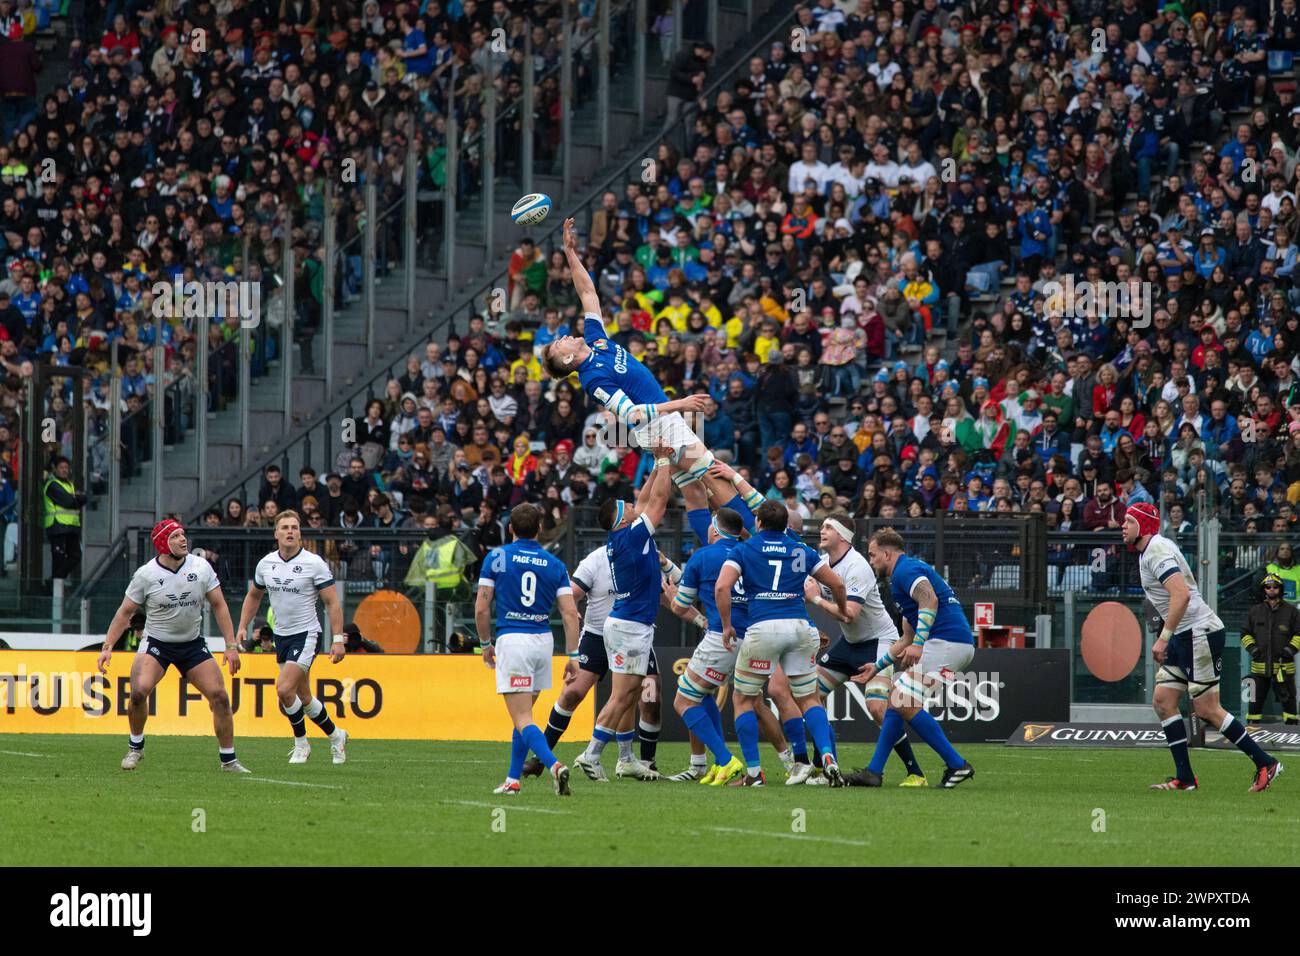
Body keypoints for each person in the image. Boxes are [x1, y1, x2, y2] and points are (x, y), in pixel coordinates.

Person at [541, 219, 724, 494]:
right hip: (658, 422)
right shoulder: (592, 379)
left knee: (696, 491)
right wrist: (681, 403)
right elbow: (631, 415)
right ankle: (760, 530)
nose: (564, 337)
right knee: (714, 476)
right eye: (559, 345)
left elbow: (587, 292)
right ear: (567, 361)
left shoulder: (595, 339)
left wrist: (570, 253)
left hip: (662, 418)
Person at [1122, 502, 1281, 791]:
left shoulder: (1156, 549)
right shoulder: (1151, 550)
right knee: (1163, 700)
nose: (1123, 526)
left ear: (1143, 525)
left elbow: (1180, 596)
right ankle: (1185, 778)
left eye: (1129, 521)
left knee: (1207, 708)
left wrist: (1162, 637)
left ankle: (1265, 762)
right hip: (1186, 634)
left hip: (1198, 632)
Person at [96, 520, 248, 773]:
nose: (183, 539)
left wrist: (231, 646)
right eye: (175, 536)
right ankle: (136, 747)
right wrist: (107, 646)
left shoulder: (201, 567)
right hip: (157, 644)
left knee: (220, 697)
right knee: (138, 692)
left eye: (183, 534)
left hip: (192, 644)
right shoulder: (146, 574)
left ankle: (229, 760)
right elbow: (125, 613)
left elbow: (220, 605)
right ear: (162, 544)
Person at [715, 499, 848, 787]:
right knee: (809, 699)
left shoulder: (744, 548)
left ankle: (753, 774)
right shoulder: (801, 549)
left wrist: (726, 626)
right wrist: (842, 610)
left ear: (758, 523)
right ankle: (826, 755)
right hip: (800, 627)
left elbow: (722, 586)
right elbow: (837, 584)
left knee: (743, 699)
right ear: (786, 525)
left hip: (764, 627)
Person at [521, 540, 673, 780]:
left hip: (633, 637)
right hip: (597, 636)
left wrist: (675, 589)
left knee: (649, 697)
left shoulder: (644, 559)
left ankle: (645, 763)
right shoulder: (596, 559)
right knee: (572, 693)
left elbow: (670, 599)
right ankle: (541, 759)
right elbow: (573, 591)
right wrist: (571, 606)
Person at [798, 514, 927, 787]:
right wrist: (811, 625)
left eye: (828, 527)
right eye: (821, 526)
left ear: (843, 535)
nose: (821, 530)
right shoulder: (823, 565)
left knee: (878, 707)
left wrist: (817, 599)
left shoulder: (857, 566)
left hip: (879, 641)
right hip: (850, 644)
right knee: (810, 696)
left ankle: (915, 772)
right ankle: (824, 767)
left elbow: (850, 615)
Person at [574, 444, 675, 781]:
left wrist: (655, 467)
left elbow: (645, 499)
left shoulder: (624, 536)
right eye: (627, 506)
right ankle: (591, 754)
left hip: (628, 623)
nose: (634, 505)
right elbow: (657, 503)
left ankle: (626, 758)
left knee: (630, 692)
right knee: (621, 696)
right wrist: (664, 461)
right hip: (631, 626)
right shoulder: (632, 538)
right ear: (621, 519)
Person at [849, 528, 977, 788]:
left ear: (887, 554)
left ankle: (957, 764)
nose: (871, 560)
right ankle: (874, 772)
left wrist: (919, 644)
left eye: (873, 555)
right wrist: (877, 667)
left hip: (946, 644)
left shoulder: (906, 571)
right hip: (955, 646)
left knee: (901, 700)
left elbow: (929, 601)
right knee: (897, 702)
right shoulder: (900, 579)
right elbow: (905, 639)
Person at [476, 503, 580, 796]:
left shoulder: (497, 557)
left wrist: (485, 645)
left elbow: (482, 608)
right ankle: (513, 780)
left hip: (513, 640)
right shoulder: (555, 564)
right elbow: (571, 615)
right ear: (539, 528)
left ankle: (554, 765)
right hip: (542, 641)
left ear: (510, 528)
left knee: (522, 719)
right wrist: (573, 656)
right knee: (525, 717)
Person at [237, 510, 350, 765]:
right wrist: (242, 626)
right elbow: (254, 596)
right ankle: (336, 735)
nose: (290, 531)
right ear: (276, 533)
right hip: (282, 637)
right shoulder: (266, 564)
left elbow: (332, 602)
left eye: (295, 528)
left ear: (300, 533)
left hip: (307, 634)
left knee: (284, 689)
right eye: (285, 527)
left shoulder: (314, 563)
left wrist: (338, 639)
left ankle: (301, 744)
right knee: (303, 697)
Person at [1241, 574, 1300, 725]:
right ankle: (1252, 729)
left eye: (1275, 587)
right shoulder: (1255, 611)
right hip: (1259, 668)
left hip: (1283, 667)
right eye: (1268, 587)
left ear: (1280, 589)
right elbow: (1245, 633)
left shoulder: (1291, 611)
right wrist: (1253, 649)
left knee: (1288, 698)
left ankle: (1292, 729)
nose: (1272, 590)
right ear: (1264, 590)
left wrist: (1289, 650)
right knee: (1255, 699)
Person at [43, 455, 86, 581]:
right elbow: (68, 501)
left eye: (66, 467)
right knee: (59, 558)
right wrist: (76, 498)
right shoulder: (52, 485)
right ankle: (54, 587)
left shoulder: (70, 485)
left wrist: (76, 498)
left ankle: (53, 582)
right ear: (55, 470)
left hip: (71, 527)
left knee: (76, 556)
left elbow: (85, 498)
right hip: (57, 527)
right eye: (61, 467)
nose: (64, 470)